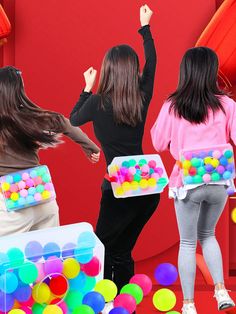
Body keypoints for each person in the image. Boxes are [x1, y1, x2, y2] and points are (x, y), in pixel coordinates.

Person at [70, 5, 160, 292]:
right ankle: (123, 305)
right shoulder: (141, 98)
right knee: (122, 251)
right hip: (147, 187)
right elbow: (153, 63)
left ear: (107, 70)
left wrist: (86, 87)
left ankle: (106, 301)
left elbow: (72, 120)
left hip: (119, 189)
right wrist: (145, 28)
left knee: (103, 248)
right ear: (133, 70)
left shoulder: (96, 103)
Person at [151, 47, 235, 314]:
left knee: (188, 243)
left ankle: (188, 306)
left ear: (185, 71)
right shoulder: (227, 104)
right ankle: (221, 291)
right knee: (208, 235)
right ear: (212, 71)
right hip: (220, 182)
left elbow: (158, 142)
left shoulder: (173, 106)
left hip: (187, 183)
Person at [0, 66, 100, 237]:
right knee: (48, 256)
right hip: (41, 195)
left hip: (10, 201)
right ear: (19, 90)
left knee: (8, 260)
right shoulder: (33, 118)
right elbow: (64, 123)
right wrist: (90, 147)